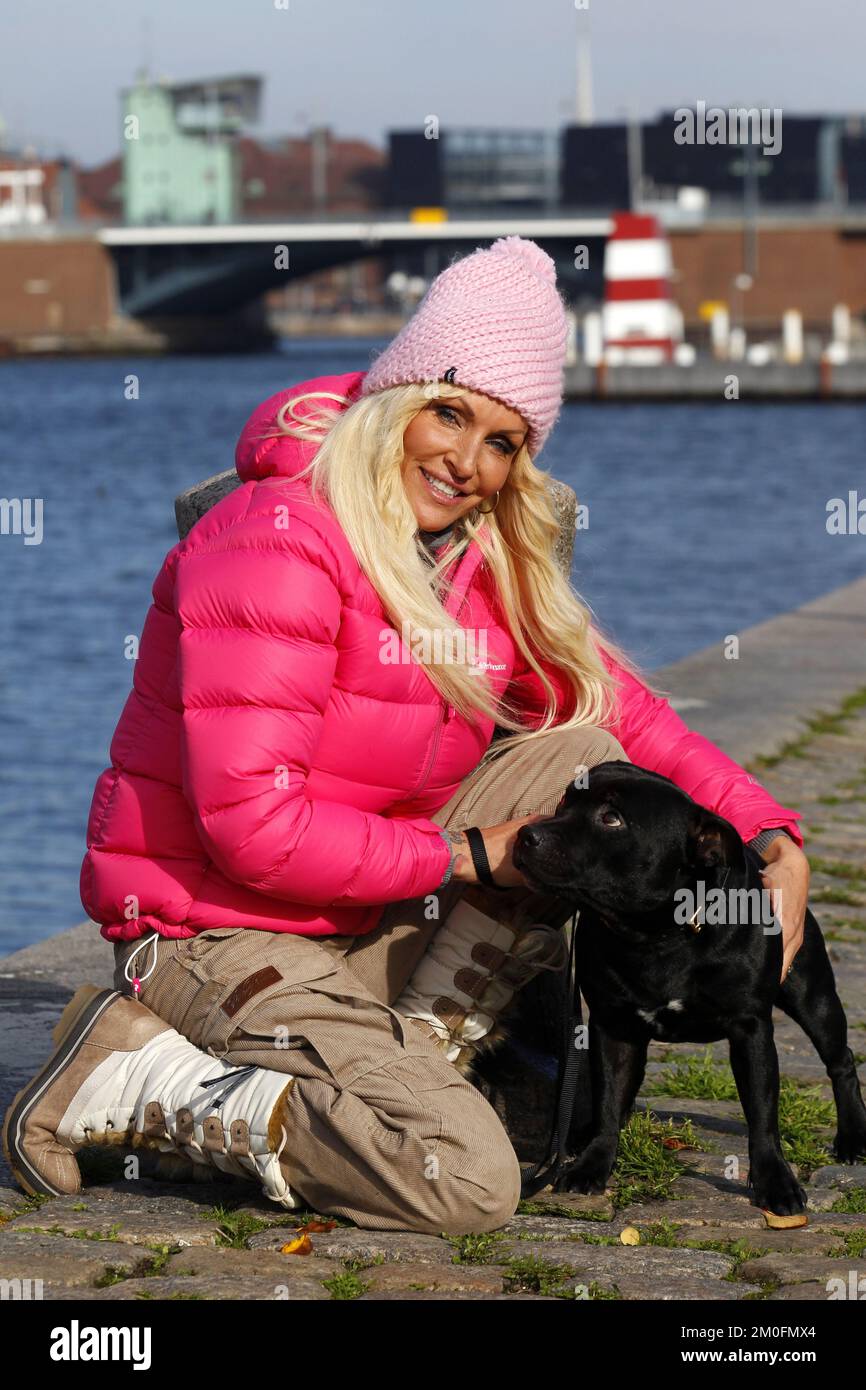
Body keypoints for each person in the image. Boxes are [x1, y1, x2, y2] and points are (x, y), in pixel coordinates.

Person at [3, 237, 809, 1236]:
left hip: (359, 911)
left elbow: (622, 713)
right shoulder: (277, 540)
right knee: (466, 1179)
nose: (466, 463)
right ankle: (135, 1080)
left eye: (503, 442)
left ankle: (412, 1057)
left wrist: (764, 837)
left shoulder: (471, 562)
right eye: (450, 412)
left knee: (575, 758)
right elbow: (249, 827)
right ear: (397, 396)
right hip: (213, 933)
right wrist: (469, 852)